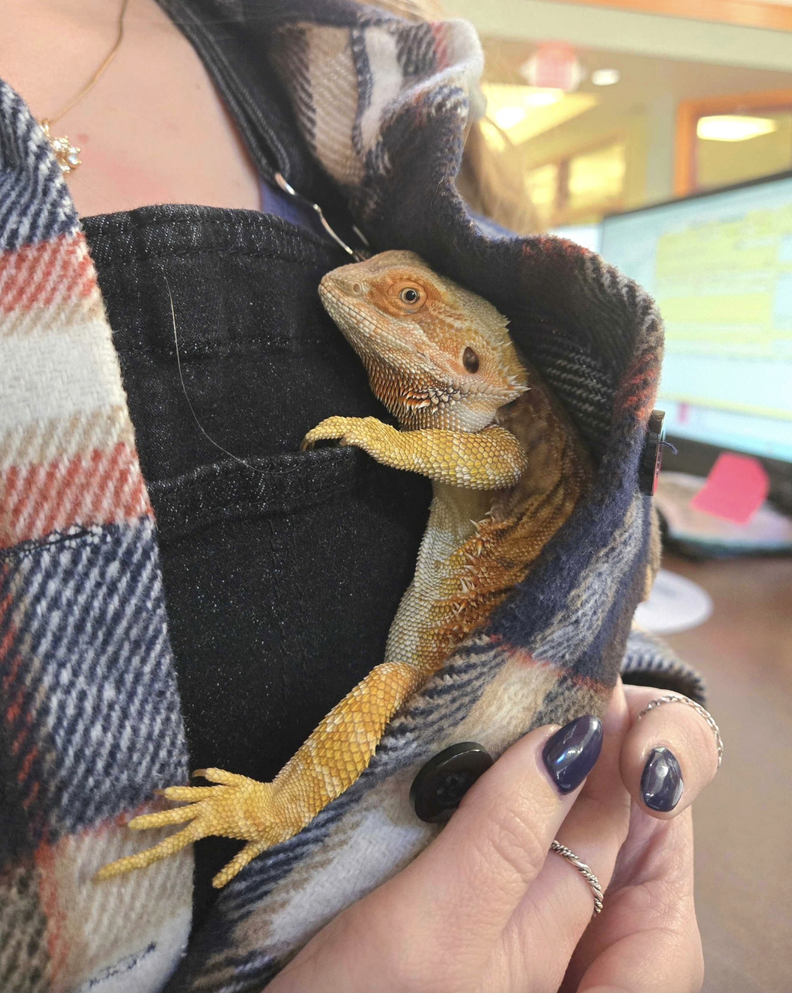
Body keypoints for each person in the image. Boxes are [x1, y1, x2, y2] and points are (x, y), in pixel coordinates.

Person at [0, 0, 721, 990]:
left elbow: (560, 510)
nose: (380, 296)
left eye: (412, 301)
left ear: (468, 358)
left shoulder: (382, 93)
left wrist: (629, 719)